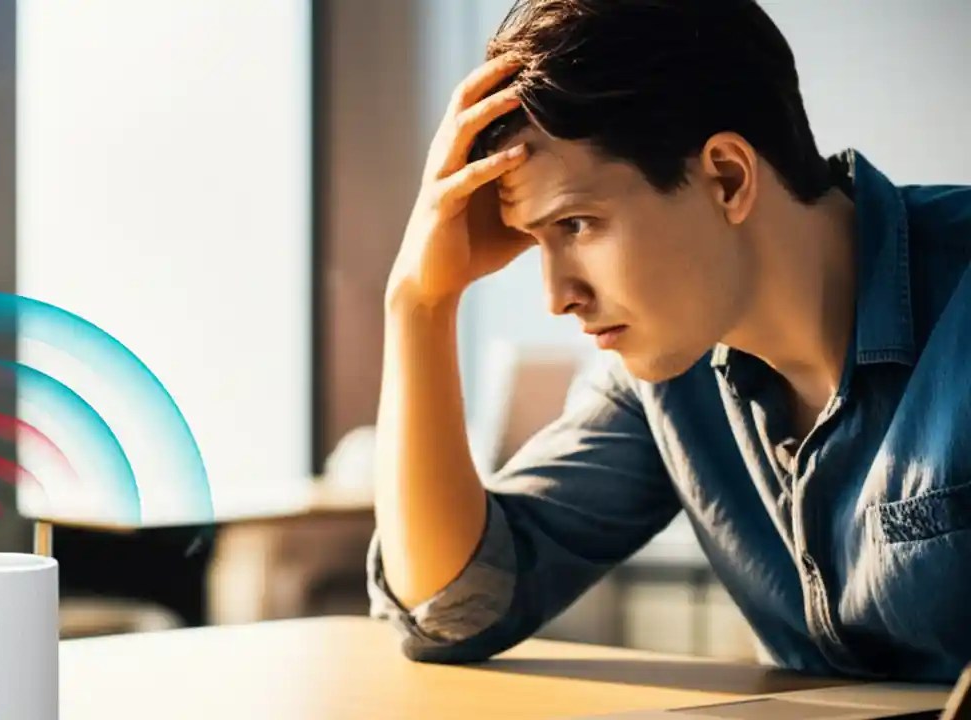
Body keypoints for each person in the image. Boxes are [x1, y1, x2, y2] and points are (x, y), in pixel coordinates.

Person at [367, 0, 971, 682]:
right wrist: (419, 302)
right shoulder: (664, 379)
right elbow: (453, 605)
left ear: (727, 177)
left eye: (576, 224)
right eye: (536, 240)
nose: (557, 297)